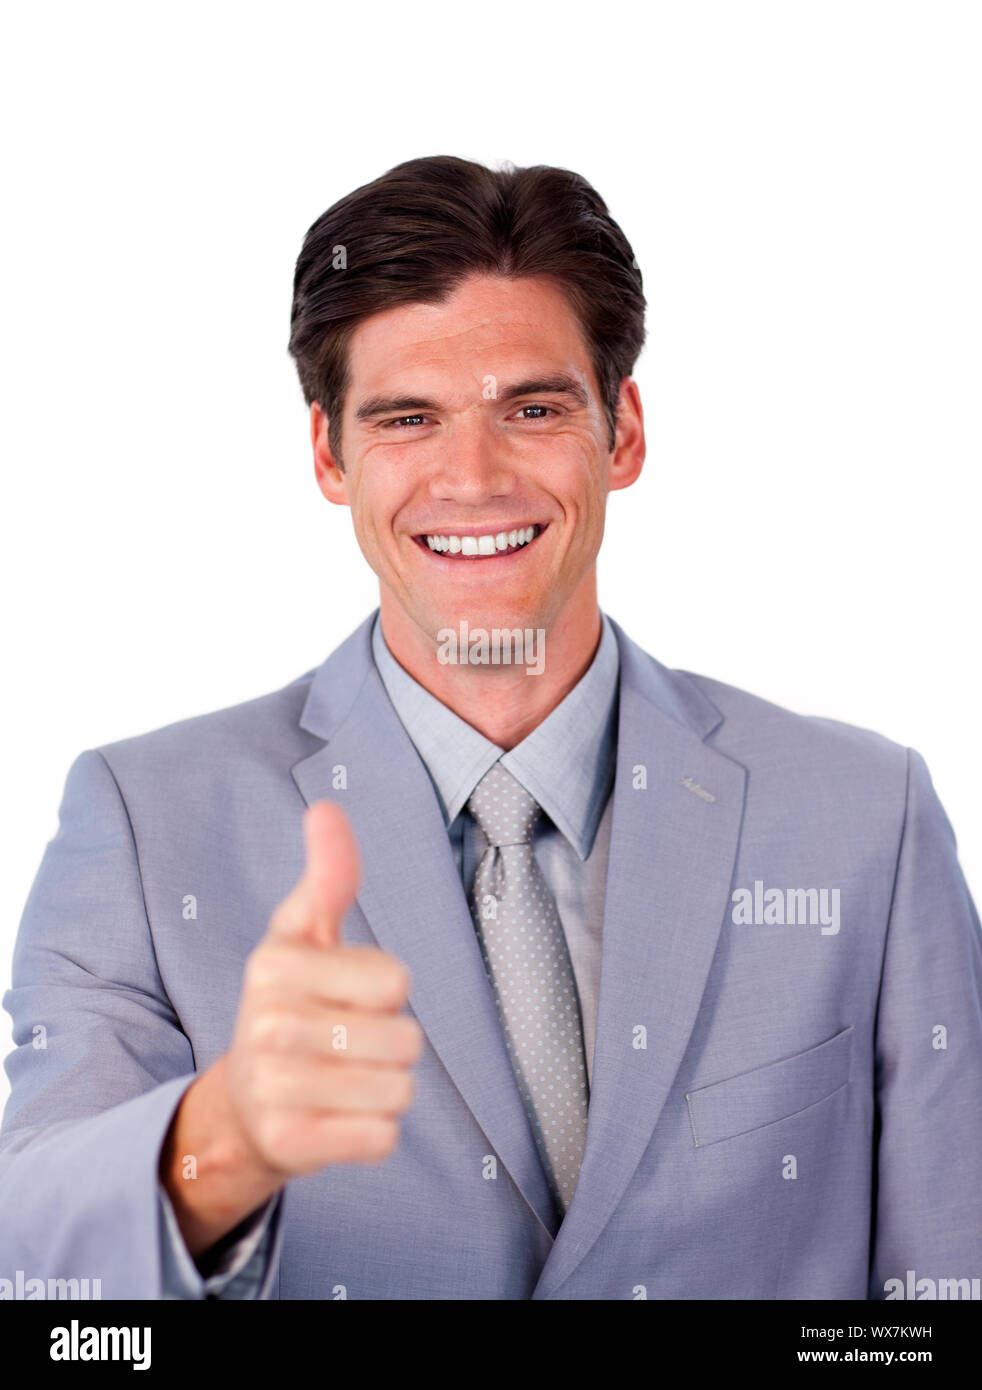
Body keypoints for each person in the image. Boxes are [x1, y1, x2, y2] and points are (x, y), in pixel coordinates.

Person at [2, 155, 980, 1301]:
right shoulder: (142, 821)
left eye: (532, 407)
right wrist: (219, 1140)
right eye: (407, 417)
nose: (472, 476)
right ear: (331, 455)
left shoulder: (866, 817)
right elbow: (38, 1272)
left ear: (621, 433)